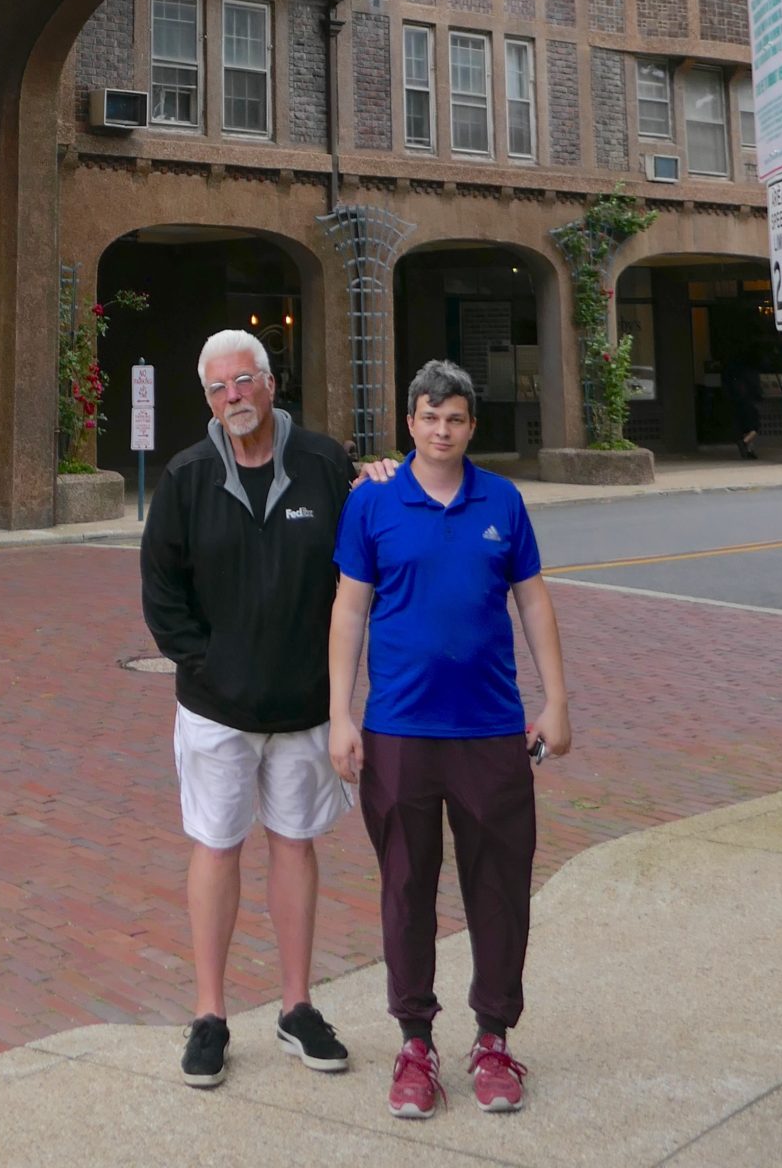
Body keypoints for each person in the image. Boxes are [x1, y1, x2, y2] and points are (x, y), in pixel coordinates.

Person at [329, 358, 571, 1121]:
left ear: (472, 425)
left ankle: (494, 1038)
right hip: (398, 729)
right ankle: (415, 1044)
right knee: (406, 890)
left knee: (497, 889)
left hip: (492, 728)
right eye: (429, 417)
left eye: (456, 418)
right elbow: (348, 611)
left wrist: (556, 700)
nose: (442, 430)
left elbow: (532, 604)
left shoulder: (502, 500)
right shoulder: (372, 503)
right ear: (410, 424)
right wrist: (341, 713)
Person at [140, 328, 358, 1090]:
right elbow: (163, 596)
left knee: (295, 845)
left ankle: (298, 1007)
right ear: (207, 399)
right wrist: (209, 665)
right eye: (218, 387)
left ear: (270, 383)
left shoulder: (327, 466)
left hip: (304, 708)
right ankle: (209, 1015)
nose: (233, 396)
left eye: (244, 380)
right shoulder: (187, 478)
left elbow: (361, 572)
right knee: (217, 845)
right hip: (216, 712)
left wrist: (391, 476)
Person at [722, 356, 761, 460]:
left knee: (745, 427)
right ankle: (745, 443)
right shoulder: (751, 376)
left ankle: (748, 450)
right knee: (755, 427)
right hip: (749, 403)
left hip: (738, 403)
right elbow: (756, 390)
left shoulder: (734, 378)